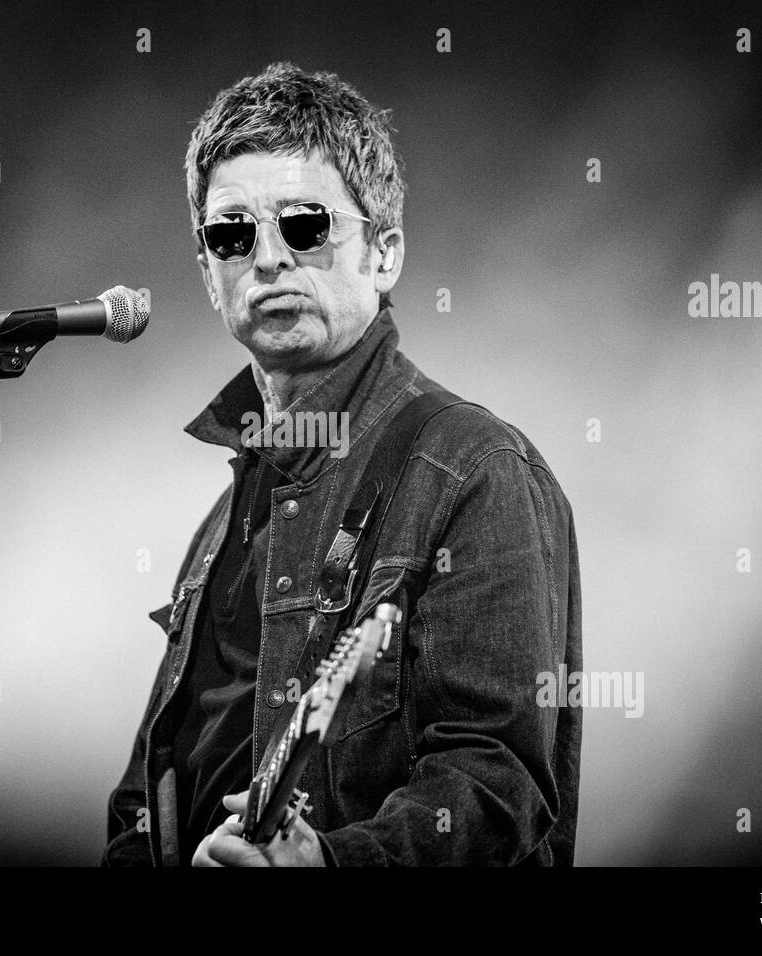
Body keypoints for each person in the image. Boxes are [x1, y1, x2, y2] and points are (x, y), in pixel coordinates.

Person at [102, 61, 582, 866]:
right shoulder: (222, 523)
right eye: (232, 234)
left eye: (304, 225)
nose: (266, 260)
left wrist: (330, 863)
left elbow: (498, 789)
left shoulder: (475, 470)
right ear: (207, 271)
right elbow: (142, 799)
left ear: (385, 254)